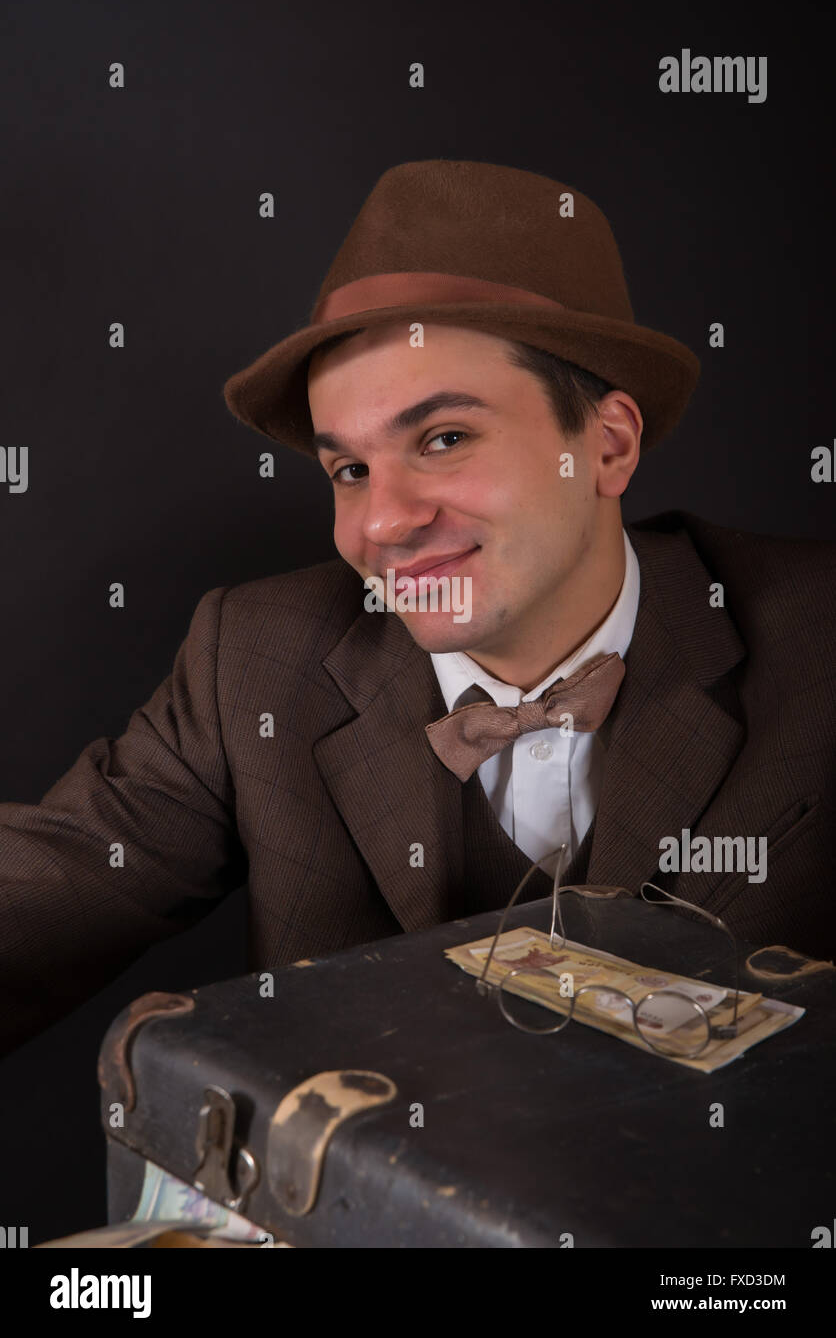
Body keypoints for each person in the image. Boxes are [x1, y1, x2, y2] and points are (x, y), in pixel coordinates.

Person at [1, 158, 833, 1059]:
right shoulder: (252, 657)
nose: (383, 522)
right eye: (349, 470)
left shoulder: (817, 636)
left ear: (607, 444)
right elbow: (50, 889)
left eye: (444, 439)